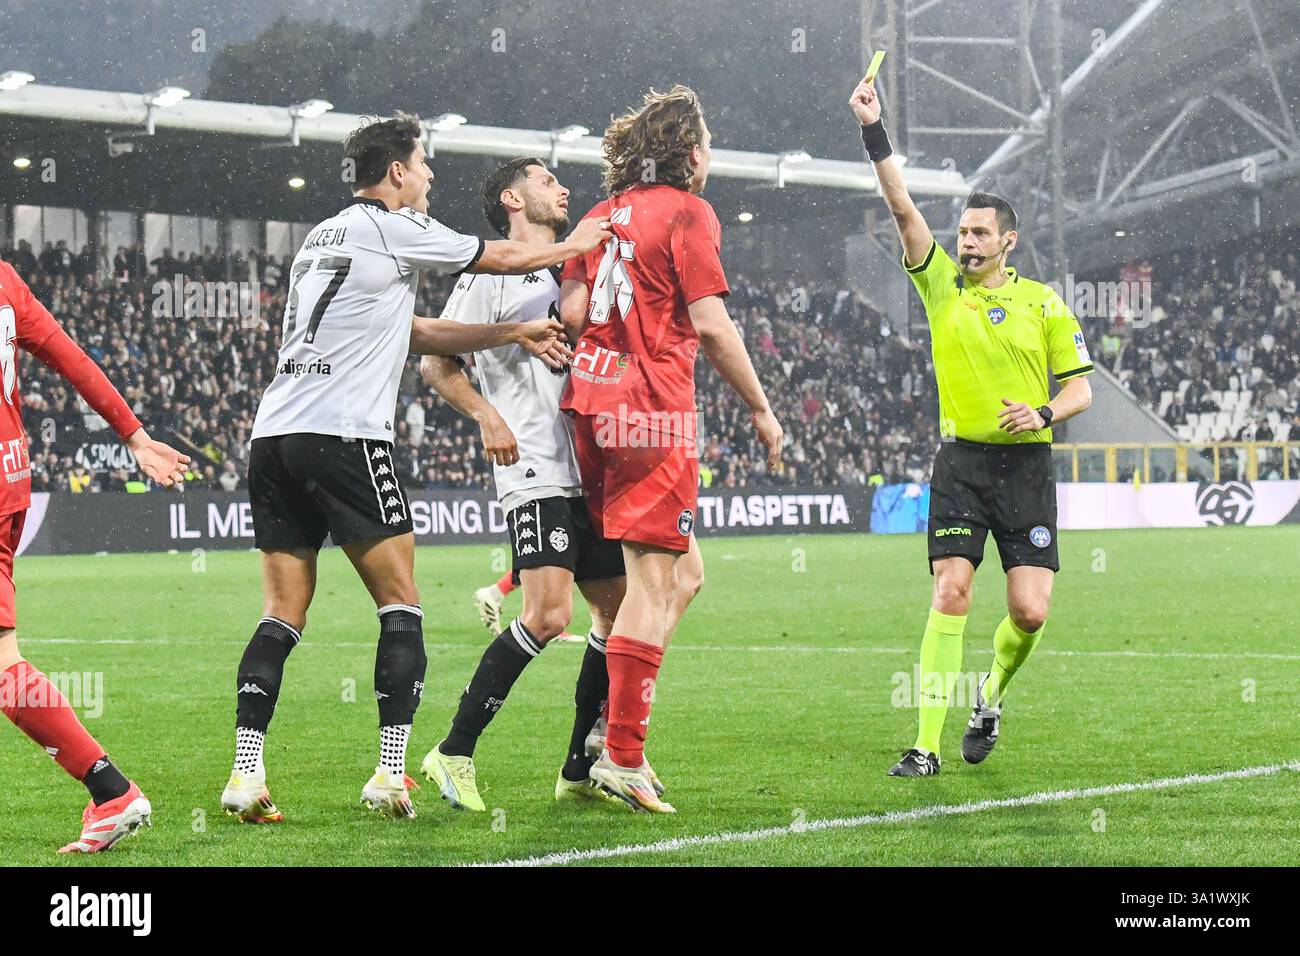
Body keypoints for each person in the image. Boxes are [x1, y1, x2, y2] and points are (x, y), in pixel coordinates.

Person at [221, 112, 611, 823]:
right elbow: (496, 258)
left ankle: (246, 774)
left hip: (273, 435)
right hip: (345, 435)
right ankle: (392, 774)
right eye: (424, 163)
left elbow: (415, 332)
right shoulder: (390, 225)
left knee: (281, 613)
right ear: (396, 170)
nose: (430, 176)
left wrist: (511, 330)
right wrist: (583, 241)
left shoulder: (321, 238)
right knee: (401, 606)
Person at [848, 71, 1093, 777]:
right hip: (960, 465)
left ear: (1009, 240)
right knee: (951, 587)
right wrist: (874, 130)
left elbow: (1079, 392)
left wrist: (1041, 411)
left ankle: (988, 696)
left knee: (1030, 612)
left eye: (981, 232)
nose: (969, 241)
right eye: (963, 232)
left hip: (1026, 469)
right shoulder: (941, 284)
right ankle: (924, 745)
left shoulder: (1043, 304)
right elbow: (900, 206)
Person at [560, 86, 783, 812]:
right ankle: (621, 753)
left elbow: (568, 313)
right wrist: (760, 407)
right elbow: (712, 325)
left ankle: (609, 731)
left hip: (590, 406)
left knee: (682, 579)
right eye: (708, 145)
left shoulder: (598, 216)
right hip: (651, 413)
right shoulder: (688, 211)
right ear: (692, 154)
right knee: (653, 588)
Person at [418, 157, 631, 808]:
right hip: (533, 461)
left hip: (589, 466)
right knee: (545, 615)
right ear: (512, 197)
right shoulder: (493, 267)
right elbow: (435, 361)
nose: (562, 188)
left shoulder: (578, 269)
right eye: (545, 180)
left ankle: (578, 768)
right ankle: (452, 751)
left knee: (618, 613)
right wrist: (487, 416)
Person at [0, 258, 190, 852]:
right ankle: (110, 791)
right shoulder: (4, 278)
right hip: (12, 479)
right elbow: (69, 356)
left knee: (3, 665)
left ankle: (111, 791)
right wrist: (133, 434)